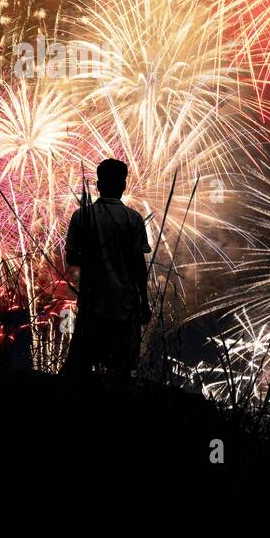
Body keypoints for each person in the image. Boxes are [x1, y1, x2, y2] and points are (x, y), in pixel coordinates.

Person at [61, 158, 152, 381]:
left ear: (99, 185)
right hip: (125, 306)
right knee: (121, 371)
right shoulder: (134, 219)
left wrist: (94, 257)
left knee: (79, 370)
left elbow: (72, 257)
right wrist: (144, 301)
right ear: (123, 185)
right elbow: (139, 266)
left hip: (92, 305)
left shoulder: (81, 216)